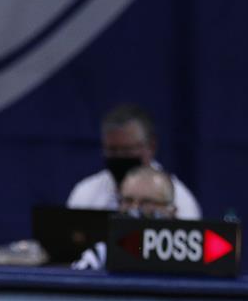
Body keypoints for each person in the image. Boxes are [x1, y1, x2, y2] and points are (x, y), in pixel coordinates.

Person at [66, 103, 201, 220]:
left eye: (127, 150)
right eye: (113, 150)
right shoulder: (86, 192)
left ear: (151, 146)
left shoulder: (179, 199)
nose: (119, 157)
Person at [72, 162, 178, 270]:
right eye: (128, 201)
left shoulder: (185, 255)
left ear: (170, 211)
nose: (135, 209)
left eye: (146, 202)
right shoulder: (103, 253)